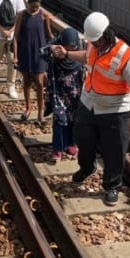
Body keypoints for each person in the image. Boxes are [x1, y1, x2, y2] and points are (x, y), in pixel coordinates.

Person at [65, 12, 130, 206]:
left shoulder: (126, 56)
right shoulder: (93, 45)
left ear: (106, 35)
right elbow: (86, 57)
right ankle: (87, 167)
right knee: (82, 138)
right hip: (89, 102)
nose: (93, 44)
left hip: (115, 109)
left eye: (96, 41)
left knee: (114, 150)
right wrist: (66, 54)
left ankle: (112, 186)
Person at [13, 0, 53, 123]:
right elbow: (16, 36)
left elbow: (49, 35)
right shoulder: (22, 15)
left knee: (40, 83)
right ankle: (28, 108)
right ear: (28, 4)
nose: (35, 9)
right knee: (26, 81)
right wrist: (15, 56)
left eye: (37, 6)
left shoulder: (43, 15)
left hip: (40, 53)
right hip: (25, 52)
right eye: (33, 6)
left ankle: (40, 113)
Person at [45, 28, 83, 162]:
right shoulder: (55, 53)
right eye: (67, 46)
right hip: (59, 93)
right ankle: (57, 149)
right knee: (59, 120)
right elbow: (41, 51)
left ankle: (71, 144)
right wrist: (53, 46)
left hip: (75, 94)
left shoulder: (80, 52)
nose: (70, 49)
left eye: (73, 47)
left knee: (74, 120)